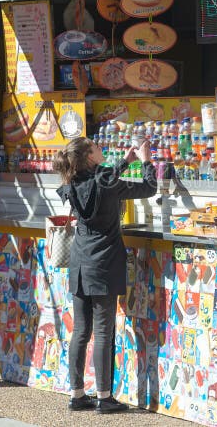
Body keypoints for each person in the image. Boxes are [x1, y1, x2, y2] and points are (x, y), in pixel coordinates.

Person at [54, 137, 157, 414]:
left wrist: (126, 161)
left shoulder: (72, 182)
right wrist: (147, 161)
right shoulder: (106, 182)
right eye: (95, 146)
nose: (100, 147)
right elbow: (149, 188)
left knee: (80, 330)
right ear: (89, 156)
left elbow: (105, 178)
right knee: (102, 331)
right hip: (104, 262)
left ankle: (77, 394)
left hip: (79, 262)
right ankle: (104, 397)